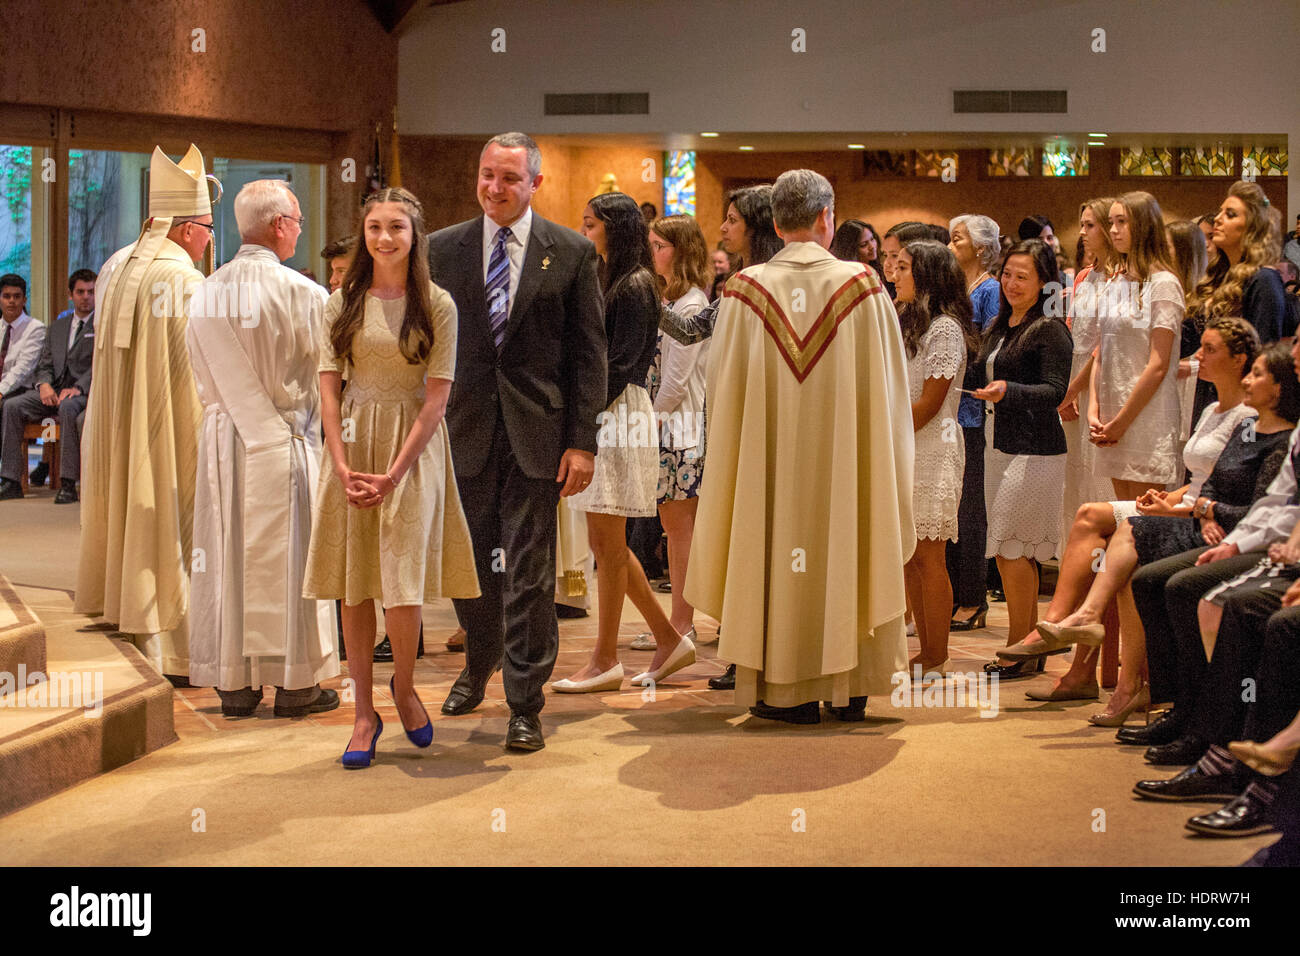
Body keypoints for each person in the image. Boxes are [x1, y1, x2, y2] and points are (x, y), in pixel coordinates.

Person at [685, 169, 914, 724]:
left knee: (774, 542)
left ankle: (787, 690)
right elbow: (890, 395)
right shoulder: (863, 287)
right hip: (847, 466)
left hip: (768, 474)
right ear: (825, 219)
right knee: (850, 528)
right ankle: (852, 680)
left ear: (775, 221)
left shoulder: (743, 291)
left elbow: (723, 396)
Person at [426, 132, 607, 752]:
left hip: (538, 434)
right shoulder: (440, 250)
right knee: (471, 565)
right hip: (463, 430)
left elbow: (589, 357)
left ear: (534, 183)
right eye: (486, 176)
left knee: (529, 571)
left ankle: (525, 701)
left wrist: (583, 442)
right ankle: (479, 663)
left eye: (508, 178)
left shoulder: (573, 252)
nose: (494, 189)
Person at [999, 321, 1275, 712]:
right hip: (1183, 503)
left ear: (1239, 359)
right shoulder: (1213, 408)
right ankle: (1060, 621)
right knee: (1089, 514)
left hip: (1203, 517)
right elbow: (1198, 478)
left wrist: (1177, 506)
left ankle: (1093, 638)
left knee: (1129, 539)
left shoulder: (1246, 419)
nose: (1198, 356)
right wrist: (1166, 496)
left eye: (1209, 350)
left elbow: (1226, 490)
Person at [303, 186, 480, 767]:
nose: (384, 238)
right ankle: (361, 711)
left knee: (401, 586)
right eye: (374, 227)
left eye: (396, 228)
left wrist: (394, 473)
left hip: (412, 450)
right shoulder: (340, 302)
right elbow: (329, 390)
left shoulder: (439, 304)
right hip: (352, 447)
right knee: (355, 585)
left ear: (414, 235)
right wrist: (340, 462)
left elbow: (436, 401)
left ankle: (402, 688)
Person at [187, 179, 341, 719]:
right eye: (297, 221)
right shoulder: (305, 293)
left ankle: (234, 685)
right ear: (279, 225)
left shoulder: (204, 291)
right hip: (285, 441)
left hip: (226, 443)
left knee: (225, 555)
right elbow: (330, 377)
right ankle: (296, 684)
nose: (298, 230)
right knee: (294, 559)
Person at [74, 145, 216, 680]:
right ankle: (178, 647)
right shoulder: (183, 280)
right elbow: (199, 372)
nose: (208, 238)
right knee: (173, 514)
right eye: (204, 226)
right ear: (184, 229)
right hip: (170, 429)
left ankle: (136, 621)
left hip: (126, 425)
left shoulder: (125, 266)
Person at [552, 193, 695, 691]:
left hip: (616, 412)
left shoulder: (634, 284)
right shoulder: (610, 275)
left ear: (613, 227)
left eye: (590, 225)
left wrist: (577, 417)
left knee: (608, 544)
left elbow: (619, 365)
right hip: (606, 410)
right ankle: (664, 638)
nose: (584, 232)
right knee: (604, 543)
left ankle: (606, 658)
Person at [972, 239, 1072, 678]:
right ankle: (1026, 646)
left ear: (1043, 282)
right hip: (1000, 444)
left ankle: (1020, 648)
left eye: (1022, 276)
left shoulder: (1050, 328)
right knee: (1009, 549)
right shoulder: (1001, 323)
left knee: (1013, 548)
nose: (1011, 283)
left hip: (1036, 449)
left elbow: (1055, 391)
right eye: (1007, 274)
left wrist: (1008, 391)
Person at [708, 184, 783, 692]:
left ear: (755, 224)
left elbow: (697, 332)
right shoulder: (738, 280)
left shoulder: (760, 283)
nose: (723, 229)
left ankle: (759, 652)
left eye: (732, 220)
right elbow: (700, 329)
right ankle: (744, 649)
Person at [894, 239, 976, 674]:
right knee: (909, 555)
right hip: (906, 444)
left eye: (904, 267)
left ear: (926, 274)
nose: (895, 274)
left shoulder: (944, 328)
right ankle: (922, 648)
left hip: (931, 446)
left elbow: (929, 403)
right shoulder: (909, 320)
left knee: (929, 556)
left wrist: (885, 432)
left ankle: (936, 653)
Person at [630, 213, 711, 652]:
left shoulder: (692, 304)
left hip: (681, 429)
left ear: (680, 251)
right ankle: (679, 622)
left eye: (659, 246)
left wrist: (646, 422)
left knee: (680, 532)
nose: (652, 253)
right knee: (672, 528)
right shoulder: (672, 300)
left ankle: (682, 624)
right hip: (669, 427)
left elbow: (677, 383)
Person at [1089, 191, 1183, 502]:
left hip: (1145, 418)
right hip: (1112, 415)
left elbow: (1158, 364)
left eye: (1122, 222)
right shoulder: (1117, 282)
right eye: (1111, 222)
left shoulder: (1164, 284)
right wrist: (1094, 409)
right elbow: (1102, 351)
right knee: (1121, 518)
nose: (1113, 230)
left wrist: (1121, 422)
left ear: (1143, 226)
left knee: (1143, 523)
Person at [946, 214, 1002, 630]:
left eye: (957, 239)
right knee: (948, 505)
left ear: (981, 248)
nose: (950, 246)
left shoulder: (990, 291)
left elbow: (986, 348)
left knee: (970, 508)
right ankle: (949, 595)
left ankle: (972, 596)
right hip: (949, 406)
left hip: (974, 409)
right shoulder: (955, 288)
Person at [22, 269, 95, 494]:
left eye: (91, 292)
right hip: (53, 390)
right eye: (80, 292)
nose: (86, 297)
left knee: (68, 406)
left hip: (85, 392)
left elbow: (100, 366)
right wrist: (43, 384)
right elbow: (44, 363)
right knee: (14, 405)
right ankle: (11, 480)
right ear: (70, 295)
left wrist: (78, 387)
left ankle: (67, 483)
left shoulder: (104, 325)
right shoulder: (57, 327)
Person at [1188, 180, 1286, 344]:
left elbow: (1263, 351)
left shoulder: (1263, 280)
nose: (1218, 219)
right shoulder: (1219, 274)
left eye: (1230, 214)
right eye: (1220, 212)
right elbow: (1190, 340)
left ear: (1252, 228)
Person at [0, 274, 51, 500]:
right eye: (6, 296)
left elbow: (22, 370)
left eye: (16, 297)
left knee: (10, 404)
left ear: (24, 299)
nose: (11, 301)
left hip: (27, 391)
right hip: (4, 389)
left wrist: (0, 390)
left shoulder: (35, 328)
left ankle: (11, 481)